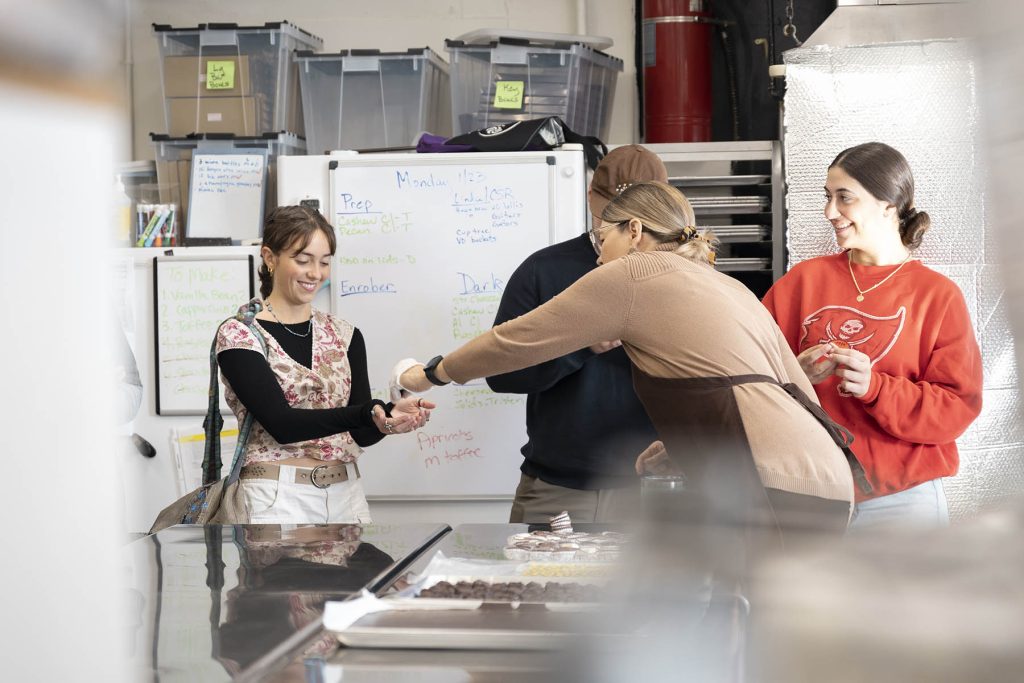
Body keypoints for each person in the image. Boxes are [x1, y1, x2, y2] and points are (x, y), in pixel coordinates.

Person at [401, 181, 861, 544]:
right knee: (746, 631)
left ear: (635, 231)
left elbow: (516, 340)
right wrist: (679, 443)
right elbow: (781, 384)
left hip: (771, 483)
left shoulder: (634, 272)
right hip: (824, 479)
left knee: (761, 640)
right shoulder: (722, 284)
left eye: (604, 237)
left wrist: (432, 373)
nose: (599, 254)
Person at [762, 142, 983, 532]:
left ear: (888, 205)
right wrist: (795, 375)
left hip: (902, 503)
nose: (830, 212)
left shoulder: (937, 296)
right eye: (827, 197)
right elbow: (750, 376)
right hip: (810, 496)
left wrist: (876, 388)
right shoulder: (801, 282)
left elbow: (955, 408)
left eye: (844, 198)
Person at [216, 205, 434, 524]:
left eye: (324, 261)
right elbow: (282, 424)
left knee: (379, 575)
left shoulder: (345, 335)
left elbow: (359, 434)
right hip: (275, 499)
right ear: (270, 257)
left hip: (346, 495)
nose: (315, 273)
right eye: (302, 260)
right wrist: (367, 411)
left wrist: (389, 416)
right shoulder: (239, 334)